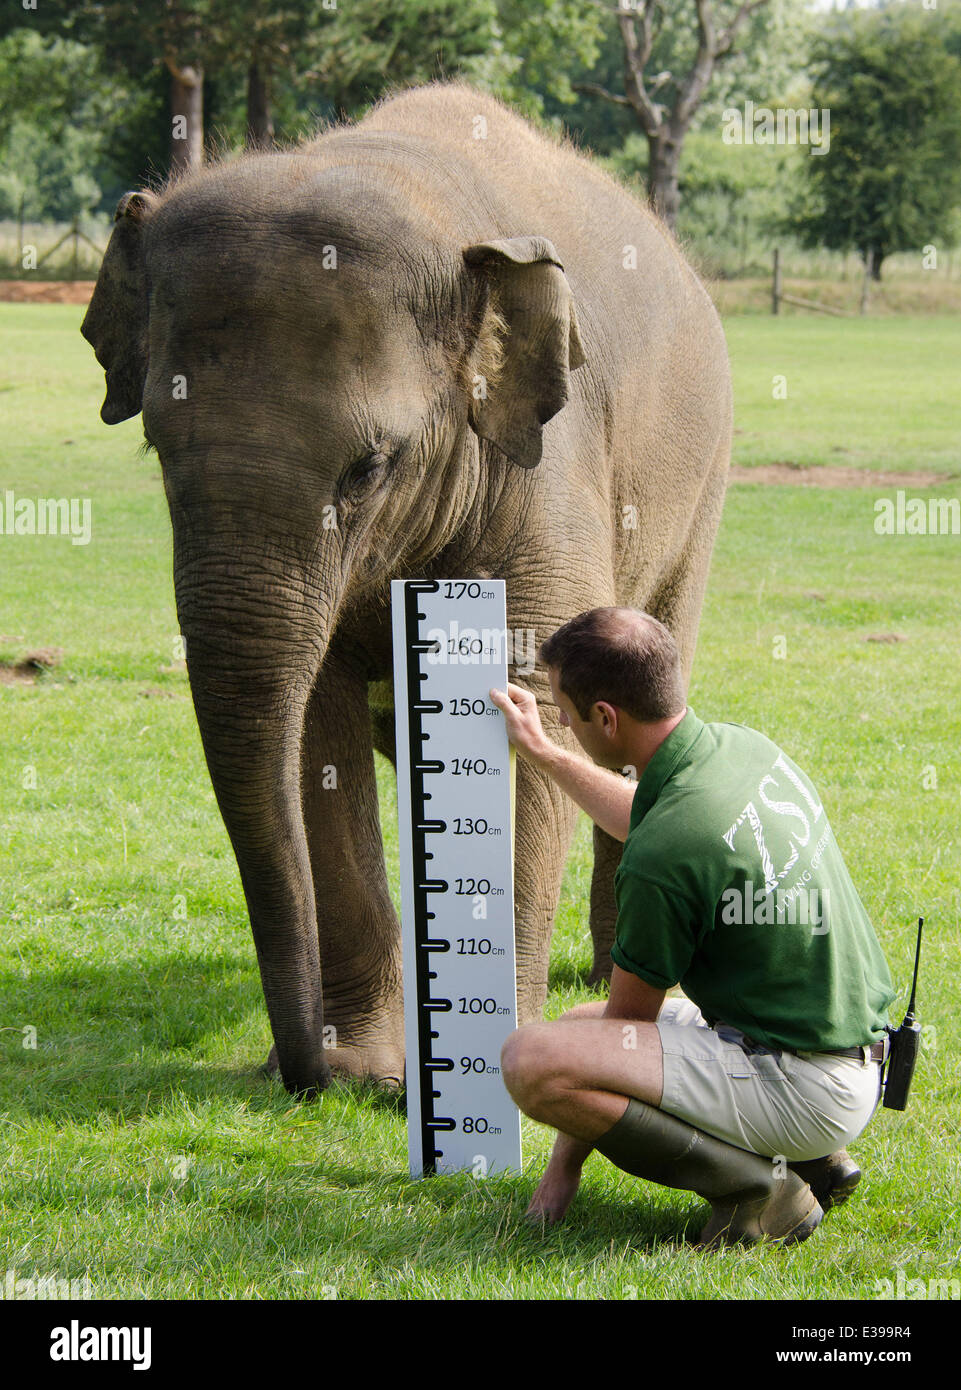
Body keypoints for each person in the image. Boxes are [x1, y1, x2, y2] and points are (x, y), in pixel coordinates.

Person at [489, 607, 895, 1248]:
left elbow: (626, 1031)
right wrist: (543, 753)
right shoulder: (739, 750)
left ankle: (764, 1193)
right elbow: (656, 822)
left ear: (606, 718)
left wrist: (560, 1169)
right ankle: (813, 1161)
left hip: (805, 1086)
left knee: (531, 1060)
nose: (561, 723)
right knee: (572, 1026)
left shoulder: (662, 857)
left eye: (565, 712)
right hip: (849, 1058)